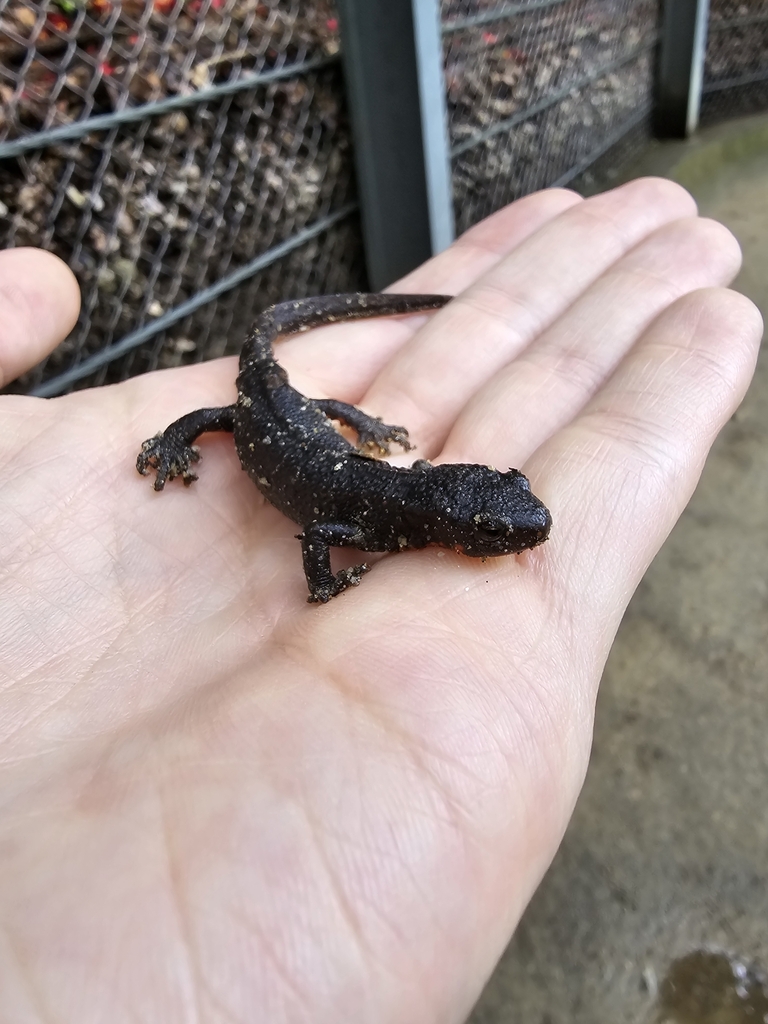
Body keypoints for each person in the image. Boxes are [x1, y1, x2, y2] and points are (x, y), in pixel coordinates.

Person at [0, 178, 760, 1022]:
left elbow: (330, 468)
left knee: (298, 410)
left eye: (504, 508)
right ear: (447, 523)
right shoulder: (378, 516)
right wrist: (318, 580)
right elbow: (315, 532)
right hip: (267, 414)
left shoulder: (404, 505)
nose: (520, 528)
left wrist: (357, 427)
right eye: (494, 528)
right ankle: (201, 426)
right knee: (252, 408)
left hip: (307, 419)